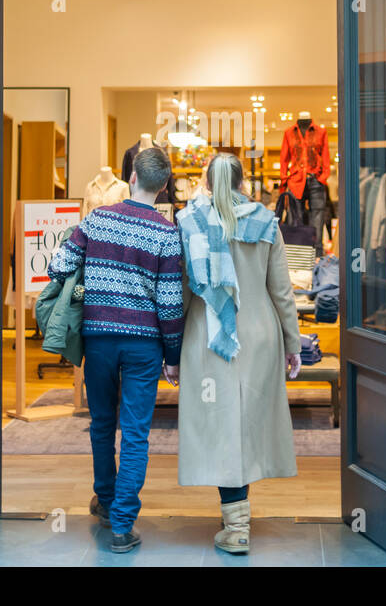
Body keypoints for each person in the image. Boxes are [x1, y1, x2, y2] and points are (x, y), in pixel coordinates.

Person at [46, 146, 184, 553]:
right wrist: (172, 357)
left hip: (99, 339)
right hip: (144, 345)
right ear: (162, 188)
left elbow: (58, 265)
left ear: (133, 179)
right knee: (137, 432)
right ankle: (123, 524)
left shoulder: (97, 219)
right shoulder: (166, 233)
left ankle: (105, 502)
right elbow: (171, 304)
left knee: (103, 424)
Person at [173, 153, 302, 555]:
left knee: (219, 424)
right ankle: (238, 520)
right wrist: (293, 344)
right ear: (244, 182)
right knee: (246, 423)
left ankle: (236, 524)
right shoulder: (266, 222)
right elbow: (282, 292)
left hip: (208, 332)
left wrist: (170, 349)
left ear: (206, 184)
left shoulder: (189, 222)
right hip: (259, 332)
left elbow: (179, 291)